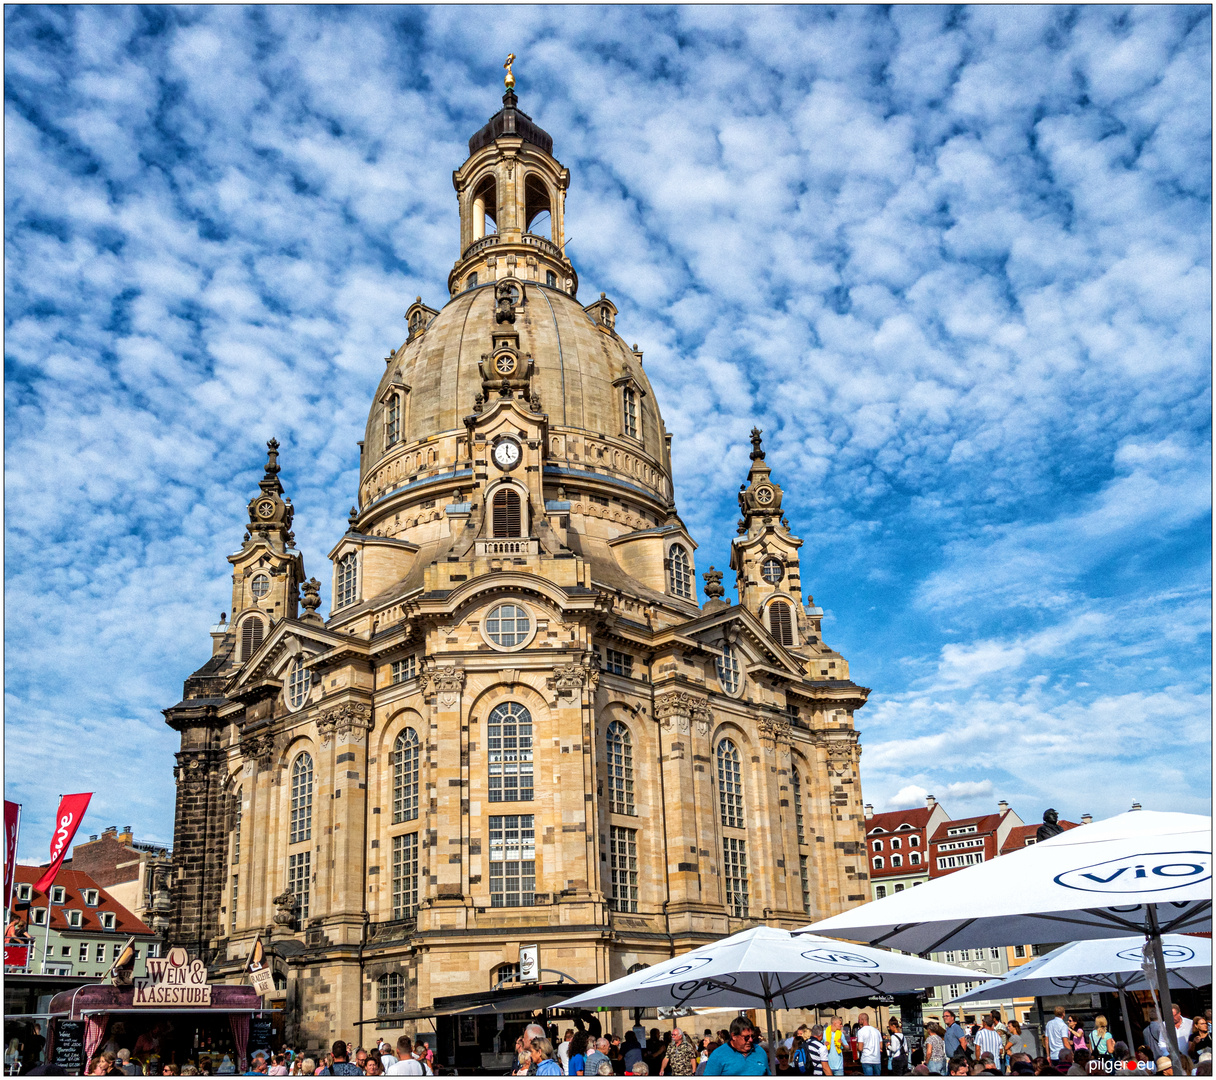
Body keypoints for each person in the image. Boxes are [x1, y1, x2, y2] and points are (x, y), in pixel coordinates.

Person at [702, 1019, 768, 1077]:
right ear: (734, 1036)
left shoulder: (759, 1051)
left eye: (752, 1036)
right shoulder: (718, 1055)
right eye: (746, 1037)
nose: (751, 1040)